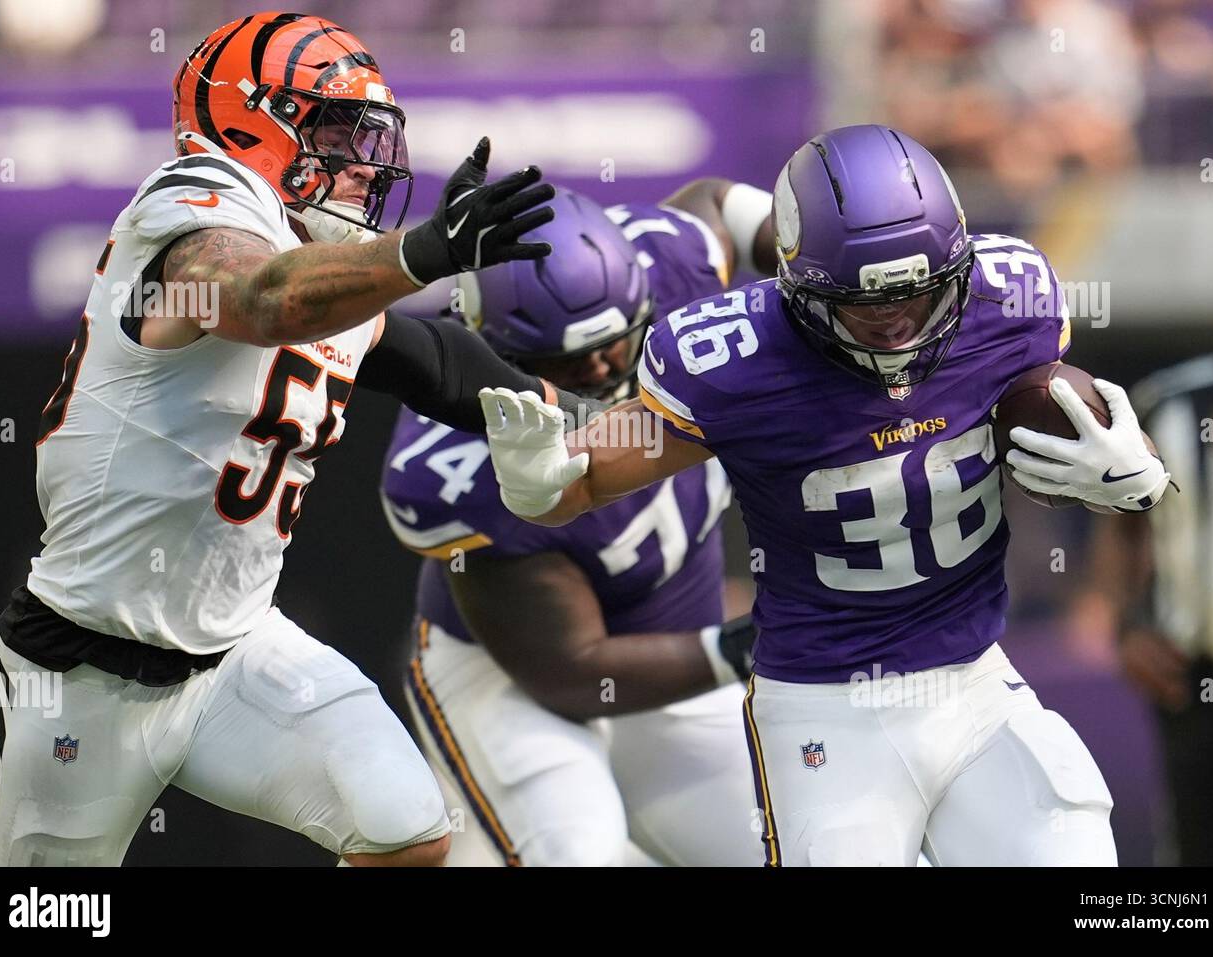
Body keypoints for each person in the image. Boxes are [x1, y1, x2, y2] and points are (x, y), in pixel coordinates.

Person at [478, 125, 1174, 866]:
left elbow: (1070, 429)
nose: (900, 322)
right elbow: (576, 484)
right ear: (797, 283)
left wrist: (1138, 471)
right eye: (868, 306)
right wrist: (536, 483)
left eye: (920, 291)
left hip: (975, 681)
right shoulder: (733, 360)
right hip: (825, 704)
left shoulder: (1011, 297)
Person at [0, 11, 567, 867]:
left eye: (368, 139)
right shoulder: (188, 207)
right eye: (336, 130)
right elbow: (260, 301)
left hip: (235, 651)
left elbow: (431, 357)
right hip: (79, 671)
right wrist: (426, 251)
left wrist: (582, 417)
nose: (362, 163)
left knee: (407, 830)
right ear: (247, 120)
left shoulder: (330, 266)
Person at [383, 183, 776, 865]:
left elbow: (715, 204)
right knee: (577, 854)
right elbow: (568, 671)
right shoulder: (450, 466)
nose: (598, 369)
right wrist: (743, 648)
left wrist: (807, 262)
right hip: (510, 682)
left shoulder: (669, 263)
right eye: (564, 362)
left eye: (615, 343)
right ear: (491, 352)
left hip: (677, 662)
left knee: (796, 846)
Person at [1087, 256, 1213, 865]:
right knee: (1198, 855)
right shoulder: (1170, 401)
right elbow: (1119, 521)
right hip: (1192, 680)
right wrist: (1126, 625)